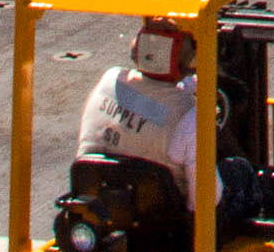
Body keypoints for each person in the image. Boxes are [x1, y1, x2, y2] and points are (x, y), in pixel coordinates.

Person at [74, 18, 199, 212]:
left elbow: (146, 99)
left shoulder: (109, 80)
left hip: (100, 211)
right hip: (165, 226)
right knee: (238, 171)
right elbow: (204, 201)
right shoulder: (188, 115)